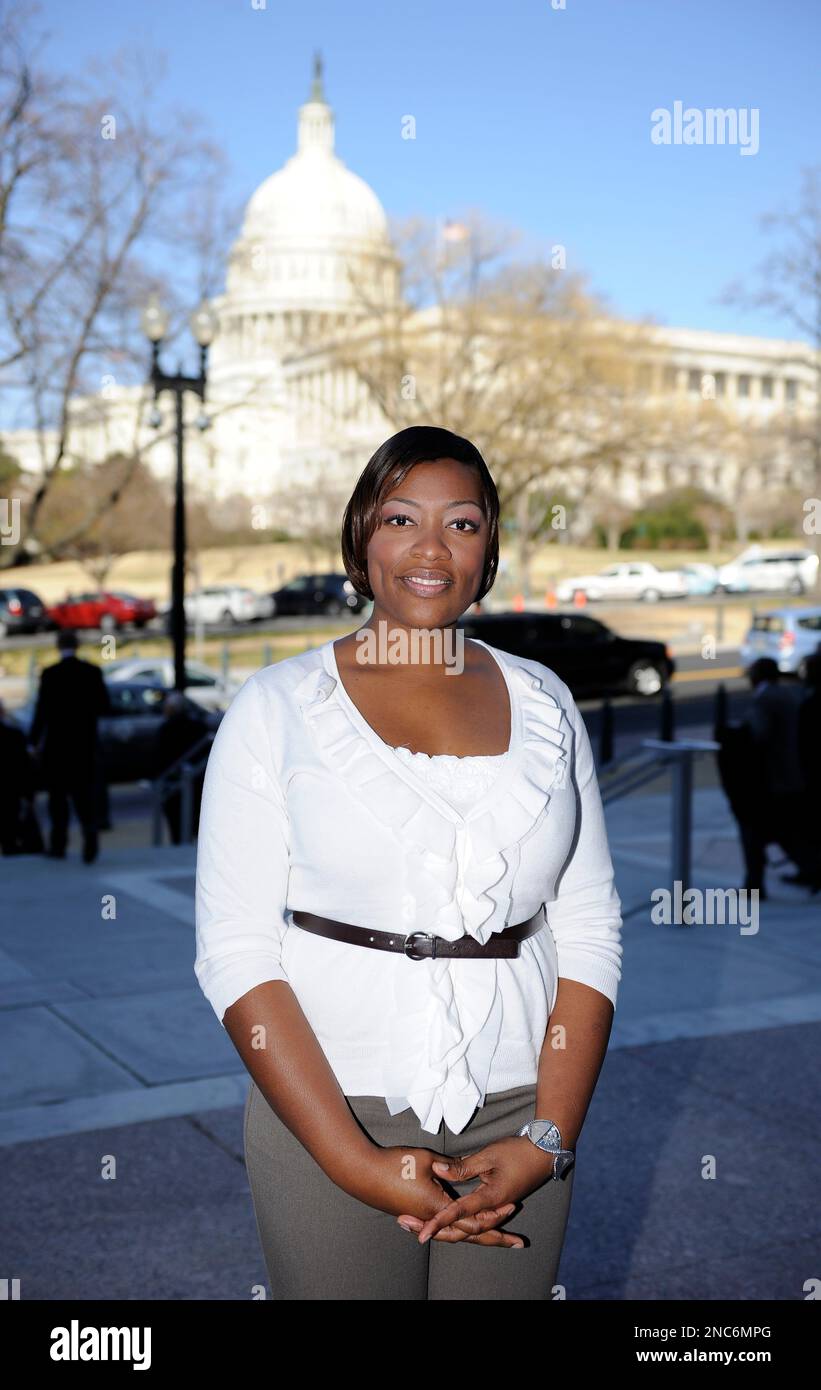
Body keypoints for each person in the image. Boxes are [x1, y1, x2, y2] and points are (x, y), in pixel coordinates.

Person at [195, 425, 623, 1300]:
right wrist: (354, 1163)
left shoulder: (546, 701)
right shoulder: (275, 707)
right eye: (400, 519)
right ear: (360, 537)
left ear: (489, 549)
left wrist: (548, 1137)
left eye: (462, 525)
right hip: (331, 1110)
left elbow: (589, 930)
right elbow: (235, 950)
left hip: (520, 1116)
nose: (430, 549)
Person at [28, 629, 111, 863]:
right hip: (83, 746)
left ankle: (59, 845)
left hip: (57, 748)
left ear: (58, 646)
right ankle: (90, 839)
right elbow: (104, 706)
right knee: (84, 796)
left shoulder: (50, 674)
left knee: (58, 799)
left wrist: (34, 742)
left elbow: (41, 712)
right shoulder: (91, 672)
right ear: (77, 645)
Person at [745, 657, 820, 893]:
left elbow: (759, 735)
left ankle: (755, 884)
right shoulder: (792, 694)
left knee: (771, 830)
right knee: (791, 829)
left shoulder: (765, 699)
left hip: (776, 777)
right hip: (795, 774)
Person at [152, 691, 209, 844]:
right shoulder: (198, 727)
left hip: (174, 785)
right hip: (196, 784)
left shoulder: (166, 729)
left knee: (177, 828)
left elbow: (159, 758)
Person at [0, 696, 39, 854]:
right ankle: (10, 845)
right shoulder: (13, 736)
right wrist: (29, 793)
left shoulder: (14, 735)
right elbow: (24, 767)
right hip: (11, 789)